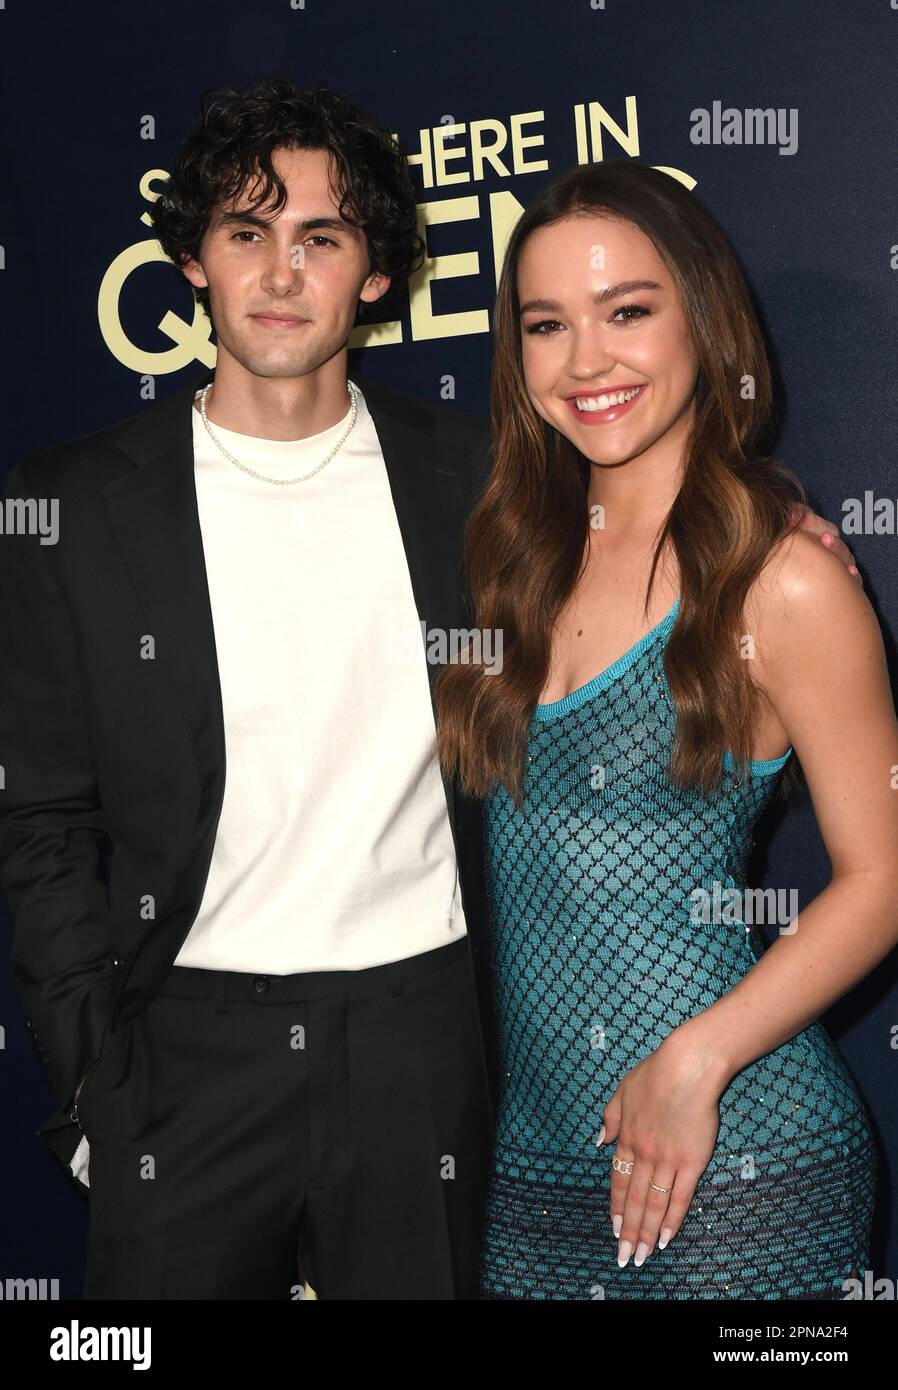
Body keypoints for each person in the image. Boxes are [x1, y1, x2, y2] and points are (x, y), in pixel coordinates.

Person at [0, 81, 856, 1300]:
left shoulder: (480, 484)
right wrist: (92, 1079)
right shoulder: (70, 506)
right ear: (190, 261)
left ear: (377, 272)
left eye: (321, 238)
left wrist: (779, 520)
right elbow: (37, 819)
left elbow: (665, 503)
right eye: (246, 234)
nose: (282, 274)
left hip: (426, 1046)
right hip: (180, 1055)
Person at [434, 160, 897, 1300]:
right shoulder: (513, 565)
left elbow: (883, 875)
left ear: (705, 319)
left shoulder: (778, 580)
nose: (586, 361)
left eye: (627, 311)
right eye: (547, 325)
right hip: (540, 1164)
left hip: (741, 1158)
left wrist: (695, 1059)